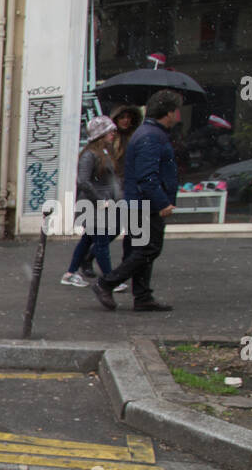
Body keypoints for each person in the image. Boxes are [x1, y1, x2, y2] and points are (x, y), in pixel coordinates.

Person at [93, 89, 182, 312]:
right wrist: (163, 202)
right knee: (148, 249)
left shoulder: (148, 134)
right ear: (168, 113)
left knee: (140, 249)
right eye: (177, 111)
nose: (179, 116)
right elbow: (147, 176)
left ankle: (142, 296)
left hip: (139, 202)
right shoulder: (151, 136)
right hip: (144, 204)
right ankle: (107, 282)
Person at [61, 115, 128, 292]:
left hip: (100, 205)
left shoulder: (104, 153)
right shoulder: (90, 155)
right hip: (93, 206)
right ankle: (109, 279)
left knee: (89, 239)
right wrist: (100, 200)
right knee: (101, 242)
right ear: (101, 134)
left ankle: (70, 273)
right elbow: (83, 181)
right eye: (109, 131)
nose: (113, 133)